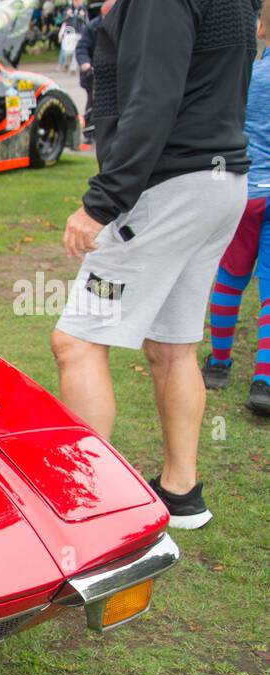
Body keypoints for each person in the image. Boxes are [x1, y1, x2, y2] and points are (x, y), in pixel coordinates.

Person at [51, 0, 257, 530]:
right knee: (172, 345)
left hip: (169, 188)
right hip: (219, 183)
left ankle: (88, 503)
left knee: (77, 341)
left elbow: (154, 101)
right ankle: (180, 492)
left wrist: (101, 202)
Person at [201, 4, 270, 415]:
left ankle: (219, 364)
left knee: (230, 274)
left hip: (246, 189)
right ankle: (264, 379)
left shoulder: (249, 73)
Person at [75, 0, 116, 146]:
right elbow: (81, 48)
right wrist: (85, 63)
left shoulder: (119, 26)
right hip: (93, 72)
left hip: (111, 73)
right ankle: (88, 132)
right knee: (93, 101)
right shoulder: (92, 27)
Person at [59, 0, 89, 72]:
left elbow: (86, 21)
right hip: (69, 31)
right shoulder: (68, 9)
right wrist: (67, 15)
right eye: (75, 1)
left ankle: (73, 68)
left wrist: (82, 16)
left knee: (76, 50)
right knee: (68, 51)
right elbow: (63, 21)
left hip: (79, 32)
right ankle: (67, 63)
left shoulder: (83, 9)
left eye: (78, 1)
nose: (77, 2)